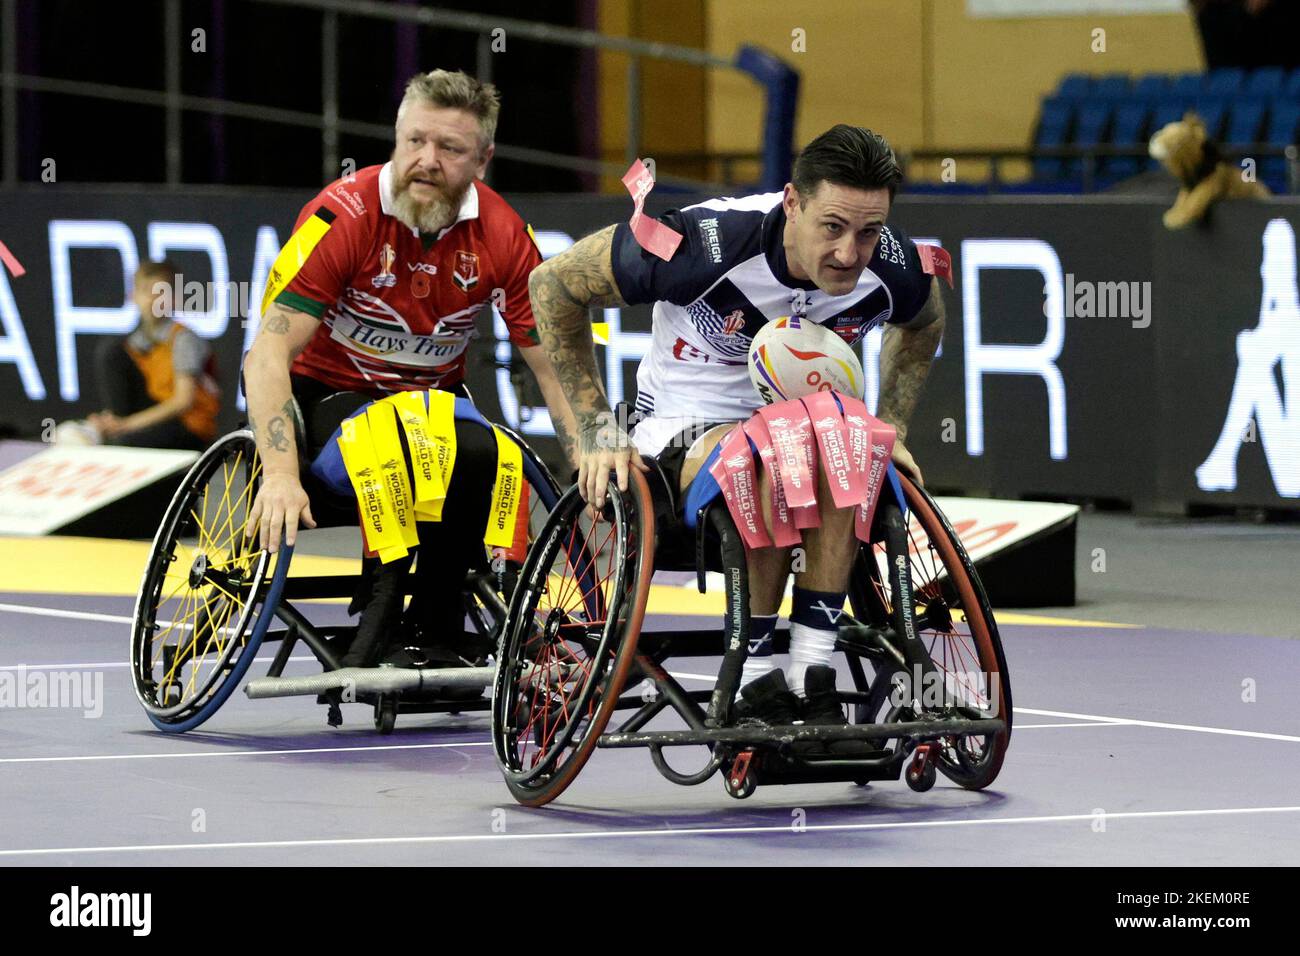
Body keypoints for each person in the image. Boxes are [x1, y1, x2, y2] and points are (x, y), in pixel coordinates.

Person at [528, 124, 946, 731]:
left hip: (810, 431)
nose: (850, 253)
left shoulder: (893, 262)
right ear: (793, 203)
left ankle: (810, 670)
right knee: (776, 449)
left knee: (845, 443)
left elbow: (925, 323)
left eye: (868, 231)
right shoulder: (699, 243)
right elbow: (553, 285)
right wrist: (595, 427)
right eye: (832, 227)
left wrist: (893, 426)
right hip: (679, 429)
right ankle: (754, 679)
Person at [242, 69, 579, 668]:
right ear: (396, 138)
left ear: (483, 158)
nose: (427, 160)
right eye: (415, 142)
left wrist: (590, 453)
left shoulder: (503, 234)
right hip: (324, 401)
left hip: (429, 410)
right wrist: (278, 474)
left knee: (487, 453)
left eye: (450, 148)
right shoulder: (340, 216)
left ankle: (434, 626)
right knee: (393, 442)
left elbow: (553, 367)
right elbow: (265, 355)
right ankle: (381, 607)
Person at [82, 259, 220, 451]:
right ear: (133, 296)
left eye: (161, 293)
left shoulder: (183, 338)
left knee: (123, 444)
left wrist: (128, 425)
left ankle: (119, 429)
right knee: (111, 352)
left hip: (188, 425)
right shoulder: (135, 342)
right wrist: (111, 421)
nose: (153, 299)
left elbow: (183, 401)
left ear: (175, 298)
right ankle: (111, 422)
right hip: (154, 413)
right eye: (146, 291)